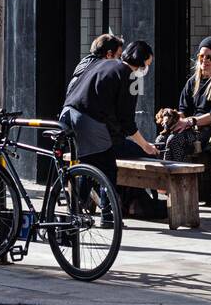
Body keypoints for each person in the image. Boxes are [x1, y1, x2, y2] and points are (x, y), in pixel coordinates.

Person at [60, 38, 159, 226]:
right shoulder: (130, 77)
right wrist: (145, 145)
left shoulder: (102, 64)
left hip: (67, 115)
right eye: (147, 64)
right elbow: (127, 121)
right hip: (88, 120)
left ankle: (74, 213)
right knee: (107, 168)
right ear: (140, 61)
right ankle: (108, 215)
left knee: (89, 164)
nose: (146, 69)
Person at [162, 36, 211, 162]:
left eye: (209, 57)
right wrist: (172, 118)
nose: (204, 60)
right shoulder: (192, 81)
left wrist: (190, 122)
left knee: (175, 141)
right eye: (201, 56)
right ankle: (167, 178)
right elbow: (183, 109)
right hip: (191, 126)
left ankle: (182, 177)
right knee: (161, 140)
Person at [65, 33, 124, 102]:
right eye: (119, 56)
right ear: (109, 54)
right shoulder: (100, 73)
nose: (120, 61)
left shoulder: (85, 66)